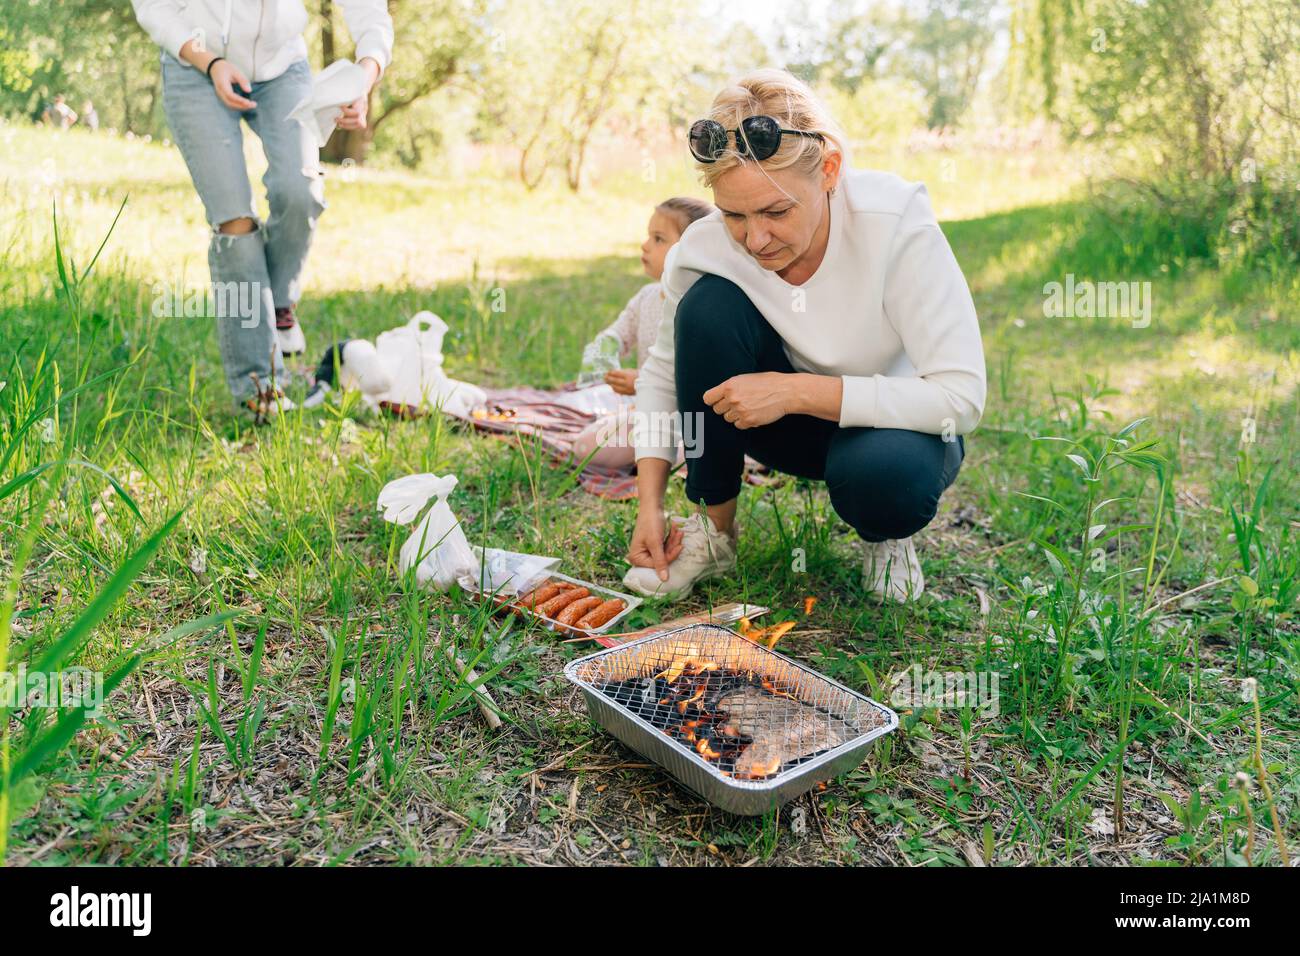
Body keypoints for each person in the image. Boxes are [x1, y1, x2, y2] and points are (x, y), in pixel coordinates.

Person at [623, 69, 986, 604]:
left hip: (894, 431)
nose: (756, 238)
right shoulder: (703, 248)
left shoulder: (896, 223)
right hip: (779, 430)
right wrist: (648, 503)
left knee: (885, 477)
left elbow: (960, 397)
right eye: (734, 216)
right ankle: (714, 527)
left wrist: (795, 392)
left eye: (776, 211)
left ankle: (885, 536)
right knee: (707, 308)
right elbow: (660, 373)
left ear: (830, 171)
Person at [129, 0, 393, 417]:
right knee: (235, 223)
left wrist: (365, 75)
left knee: (300, 189)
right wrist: (210, 60)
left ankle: (279, 304)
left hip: (282, 68)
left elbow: (369, 12)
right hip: (194, 66)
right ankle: (259, 389)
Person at [571, 197, 714, 469]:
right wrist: (606, 347)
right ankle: (675, 456)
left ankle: (689, 455)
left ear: (692, 250)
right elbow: (620, 332)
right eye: (648, 236)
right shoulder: (646, 297)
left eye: (658, 239)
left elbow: (700, 376)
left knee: (693, 441)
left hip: (692, 417)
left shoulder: (700, 305)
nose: (645, 245)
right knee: (585, 445)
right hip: (649, 414)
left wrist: (640, 380)